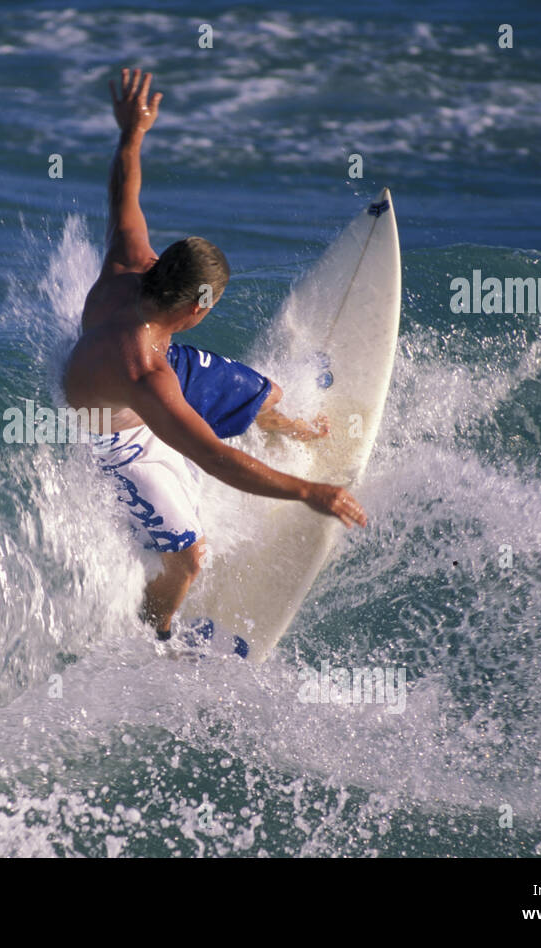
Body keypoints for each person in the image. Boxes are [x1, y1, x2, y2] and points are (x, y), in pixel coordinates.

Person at [62, 68, 368, 646]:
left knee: (265, 393)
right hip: (118, 434)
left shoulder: (132, 262)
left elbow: (123, 190)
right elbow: (215, 458)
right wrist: (309, 493)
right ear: (197, 309)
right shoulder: (145, 377)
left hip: (158, 360)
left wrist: (132, 133)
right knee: (190, 559)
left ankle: (288, 423)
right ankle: (157, 638)